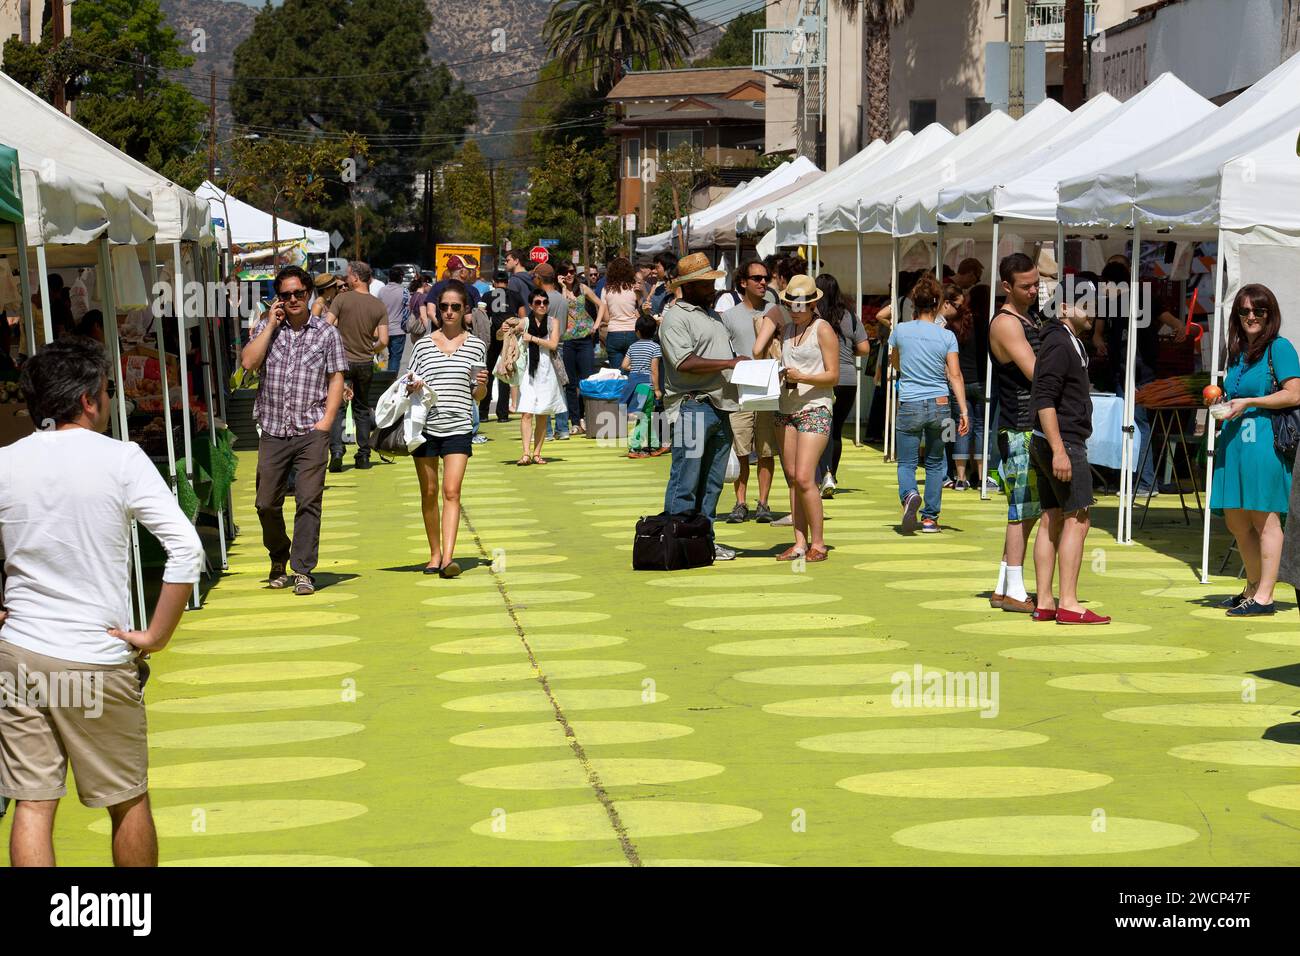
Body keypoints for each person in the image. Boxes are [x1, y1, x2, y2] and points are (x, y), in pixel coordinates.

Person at [0, 338, 203, 866]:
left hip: (19, 652)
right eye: (108, 391)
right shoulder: (120, 458)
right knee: (126, 796)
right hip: (95, 656)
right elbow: (185, 548)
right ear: (90, 399)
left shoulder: (6, 462)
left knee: (33, 801)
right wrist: (158, 636)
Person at [242, 266, 346, 595]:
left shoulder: (326, 333)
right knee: (265, 504)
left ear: (308, 294)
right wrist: (271, 324)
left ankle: (302, 570)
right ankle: (278, 555)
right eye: (285, 295)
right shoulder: (266, 327)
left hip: (311, 428)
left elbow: (336, 377)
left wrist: (327, 421)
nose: (292, 300)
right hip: (273, 428)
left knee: (308, 500)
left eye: (298, 293)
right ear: (278, 299)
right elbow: (248, 363)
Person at [1211, 284, 1300, 617]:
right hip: (1233, 442)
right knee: (1236, 519)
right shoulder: (1236, 352)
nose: (1251, 316)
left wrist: (1250, 401)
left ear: (1270, 314)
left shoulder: (1280, 348)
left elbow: (1294, 394)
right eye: (1245, 311)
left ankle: (1265, 596)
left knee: (1265, 519)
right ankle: (1252, 586)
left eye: (1258, 311)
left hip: (1264, 442)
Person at [1029, 289, 1110, 625]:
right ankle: (1069, 603)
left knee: (1052, 517)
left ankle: (1047, 601)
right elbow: (1044, 397)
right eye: (1085, 304)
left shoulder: (1067, 341)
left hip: (1053, 439)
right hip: (1062, 441)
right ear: (1063, 308)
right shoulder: (1059, 343)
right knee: (1078, 518)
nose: (1093, 311)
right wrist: (1060, 449)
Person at [659, 252, 745, 562]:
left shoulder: (712, 316)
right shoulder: (675, 317)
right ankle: (676, 541)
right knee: (686, 479)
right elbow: (684, 363)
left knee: (711, 482)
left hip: (720, 405)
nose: (713, 289)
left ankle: (703, 541)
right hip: (693, 405)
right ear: (691, 285)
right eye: (707, 284)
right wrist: (730, 362)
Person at [406, 279, 488, 578]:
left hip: (458, 426)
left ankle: (448, 558)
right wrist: (412, 385)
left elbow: (477, 396)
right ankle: (434, 553)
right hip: (425, 427)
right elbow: (408, 384)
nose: (450, 312)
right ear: (437, 310)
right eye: (444, 307)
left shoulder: (477, 345)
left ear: (465, 309)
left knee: (451, 491)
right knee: (428, 492)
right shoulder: (424, 346)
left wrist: (481, 386)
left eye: (456, 307)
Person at [755, 274, 839, 561]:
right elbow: (758, 350)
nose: (795, 308)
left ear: (813, 303)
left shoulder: (822, 329)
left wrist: (802, 376)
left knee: (805, 477)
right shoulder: (788, 329)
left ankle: (819, 543)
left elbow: (833, 374)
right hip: (786, 407)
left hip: (815, 406)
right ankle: (800, 542)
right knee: (792, 478)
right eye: (791, 302)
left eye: (801, 303)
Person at [1091, 257, 1187, 497]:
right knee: (1130, 426)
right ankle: (1130, 481)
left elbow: (1177, 325)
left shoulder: (1142, 299)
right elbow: (1097, 334)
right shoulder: (1111, 302)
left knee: (1136, 425)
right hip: (1125, 372)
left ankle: (1145, 483)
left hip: (1139, 373)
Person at [889, 275, 969, 534]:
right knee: (937, 463)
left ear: (913, 303)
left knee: (907, 462)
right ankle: (930, 519)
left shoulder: (900, 331)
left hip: (910, 402)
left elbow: (895, 362)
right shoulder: (946, 336)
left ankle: (910, 494)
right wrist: (964, 410)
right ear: (938, 305)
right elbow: (955, 374)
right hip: (942, 405)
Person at [987, 254, 1043, 612]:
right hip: (1019, 426)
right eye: (1027, 286)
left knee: (1027, 509)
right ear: (1007, 286)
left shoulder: (1029, 316)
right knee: (1022, 510)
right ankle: (1016, 592)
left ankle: (1003, 585)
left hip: (1026, 425)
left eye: (1037, 283)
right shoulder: (1006, 323)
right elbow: (1037, 372)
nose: (1035, 290)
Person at [720, 258, 779, 524]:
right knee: (741, 448)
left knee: (766, 450)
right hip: (740, 389)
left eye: (765, 278)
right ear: (743, 282)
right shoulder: (730, 316)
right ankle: (740, 502)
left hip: (769, 387)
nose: (763, 282)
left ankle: (763, 503)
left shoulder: (776, 311)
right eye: (757, 278)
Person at [325, 261, 388, 472]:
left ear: (355, 278)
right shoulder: (378, 305)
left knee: (336, 407)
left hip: (341, 361)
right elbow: (383, 340)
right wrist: (370, 348)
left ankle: (336, 450)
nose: (346, 279)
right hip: (364, 362)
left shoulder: (341, 299)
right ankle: (363, 455)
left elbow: (326, 325)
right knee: (361, 407)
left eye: (348, 275)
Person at [813, 273, 870, 499]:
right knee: (835, 431)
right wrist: (847, 353)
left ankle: (820, 475)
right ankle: (832, 476)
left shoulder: (814, 316)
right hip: (847, 378)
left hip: (822, 377)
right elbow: (864, 349)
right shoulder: (850, 316)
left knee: (819, 429)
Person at [514, 287, 566, 464]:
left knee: (542, 413)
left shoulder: (553, 322)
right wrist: (505, 328)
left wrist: (533, 339)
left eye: (545, 302)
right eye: (538, 302)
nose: (542, 305)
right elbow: (505, 334)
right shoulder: (525, 322)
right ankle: (526, 453)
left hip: (547, 370)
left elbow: (553, 344)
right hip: (529, 370)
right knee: (526, 413)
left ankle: (537, 453)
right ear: (531, 305)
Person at [944, 283, 983, 491]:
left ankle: (960, 476)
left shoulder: (950, 327)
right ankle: (980, 474)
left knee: (961, 428)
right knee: (980, 429)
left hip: (958, 382)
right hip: (981, 380)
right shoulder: (983, 323)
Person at [558, 262, 601, 436]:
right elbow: (561, 309)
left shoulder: (582, 288)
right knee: (570, 383)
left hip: (584, 340)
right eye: (566, 272)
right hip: (567, 340)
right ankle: (574, 421)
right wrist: (562, 288)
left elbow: (601, 304)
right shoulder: (560, 291)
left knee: (586, 380)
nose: (569, 275)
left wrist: (596, 326)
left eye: (572, 272)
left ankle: (586, 417)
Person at [532, 263, 572, 440]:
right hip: (561, 345)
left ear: (539, 278)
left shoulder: (539, 299)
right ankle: (562, 428)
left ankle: (546, 430)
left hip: (543, 346)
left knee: (543, 388)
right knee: (559, 388)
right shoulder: (562, 299)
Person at [482, 270, 525, 423]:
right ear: (507, 281)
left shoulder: (487, 296)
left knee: (487, 374)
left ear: (494, 282)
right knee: (505, 373)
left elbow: (482, 318)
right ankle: (502, 414)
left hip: (493, 337)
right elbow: (522, 317)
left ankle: (483, 413)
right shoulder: (515, 295)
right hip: (509, 337)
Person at [622, 314, 665, 458]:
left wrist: (636, 369)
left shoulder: (632, 346)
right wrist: (657, 389)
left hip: (634, 384)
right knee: (645, 416)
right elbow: (654, 370)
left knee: (646, 415)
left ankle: (653, 445)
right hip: (647, 385)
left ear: (637, 331)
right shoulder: (655, 347)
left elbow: (624, 365)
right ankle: (635, 447)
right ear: (654, 331)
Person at [597, 256, 642, 371]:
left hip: (614, 333)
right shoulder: (634, 288)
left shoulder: (606, 289)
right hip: (633, 332)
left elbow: (606, 318)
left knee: (618, 373)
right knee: (634, 371)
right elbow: (641, 308)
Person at [377, 267, 411, 372]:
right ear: (401, 277)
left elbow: (378, 310)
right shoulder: (404, 292)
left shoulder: (381, 291)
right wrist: (406, 327)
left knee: (382, 356)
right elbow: (406, 312)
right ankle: (391, 381)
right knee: (395, 358)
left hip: (383, 330)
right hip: (398, 331)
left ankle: (381, 373)